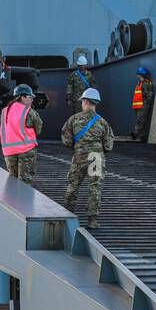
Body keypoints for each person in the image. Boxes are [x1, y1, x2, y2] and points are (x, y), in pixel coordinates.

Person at [60, 87, 114, 229]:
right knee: (95, 187)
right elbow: (109, 145)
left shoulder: (73, 119)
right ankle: (92, 220)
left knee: (73, 185)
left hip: (79, 156)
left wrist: (78, 147)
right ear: (95, 103)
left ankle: (67, 215)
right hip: (96, 157)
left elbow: (66, 141)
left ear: (84, 101)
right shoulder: (103, 122)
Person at [0, 83, 42, 184]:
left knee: (12, 183)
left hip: (9, 152)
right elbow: (38, 129)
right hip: (26, 151)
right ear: (22, 97)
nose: (32, 100)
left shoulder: (5, 111)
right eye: (30, 97)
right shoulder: (29, 111)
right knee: (25, 183)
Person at [130, 66, 155, 141]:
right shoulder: (139, 83)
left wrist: (145, 105)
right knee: (141, 121)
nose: (137, 76)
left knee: (140, 120)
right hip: (137, 106)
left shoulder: (147, 84)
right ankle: (142, 136)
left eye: (139, 75)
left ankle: (135, 133)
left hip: (143, 106)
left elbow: (149, 96)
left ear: (142, 75)